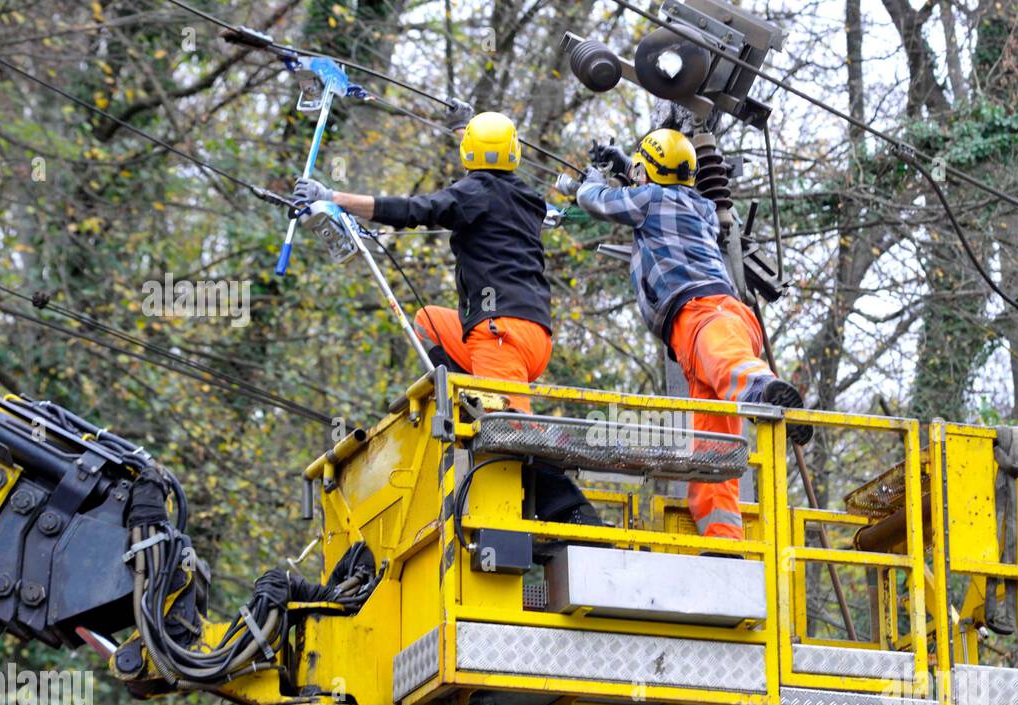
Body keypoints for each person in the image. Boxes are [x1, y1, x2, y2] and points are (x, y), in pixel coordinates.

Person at [291, 111, 602, 529]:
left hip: (500, 335)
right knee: (429, 323)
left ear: (467, 154)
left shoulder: (475, 191)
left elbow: (414, 209)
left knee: (510, 432)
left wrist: (335, 197)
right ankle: (470, 400)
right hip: (526, 333)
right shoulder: (527, 198)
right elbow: (481, 178)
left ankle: (577, 514)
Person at [567, 128, 812, 541]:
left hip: (706, 313)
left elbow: (597, 201)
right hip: (710, 322)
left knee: (729, 363)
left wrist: (593, 177)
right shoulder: (696, 204)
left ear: (647, 172)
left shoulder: (650, 199)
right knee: (712, 449)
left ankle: (764, 393)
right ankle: (722, 542)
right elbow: (658, 180)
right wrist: (624, 162)